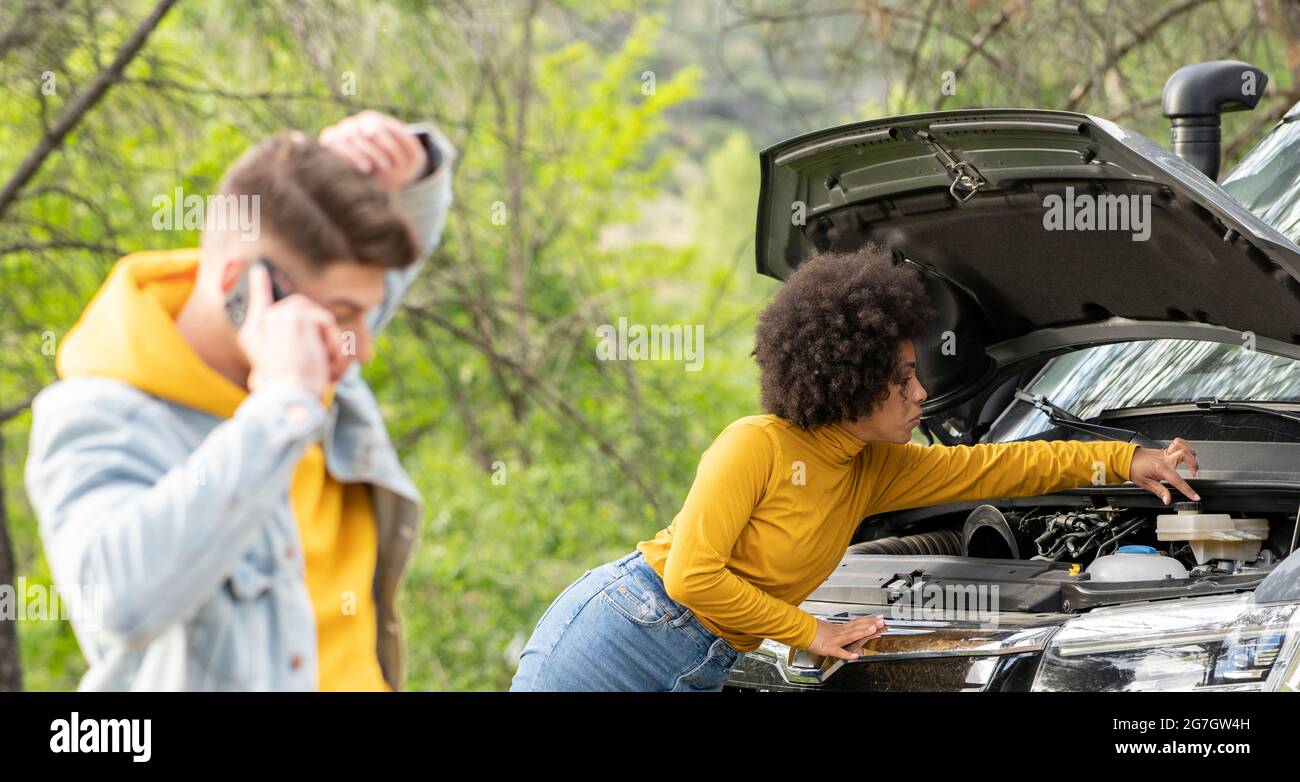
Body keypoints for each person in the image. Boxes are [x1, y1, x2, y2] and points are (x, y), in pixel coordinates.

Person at [509, 245, 1200, 692]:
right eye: (901, 378)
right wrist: (812, 632)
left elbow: (997, 467)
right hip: (621, 635)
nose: (920, 393)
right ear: (847, 377)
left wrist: (1124, 458)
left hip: (696, 660)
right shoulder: (755, 444)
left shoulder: (874, 469)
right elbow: (692, 575)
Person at [25, 110, 455, 691]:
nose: (365, 348)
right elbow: (117, 602)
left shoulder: (323, 338)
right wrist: (277, 413)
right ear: (243, 288)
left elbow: (399, 246)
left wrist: (411, 162)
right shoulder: (96, 417)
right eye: (348, 315)